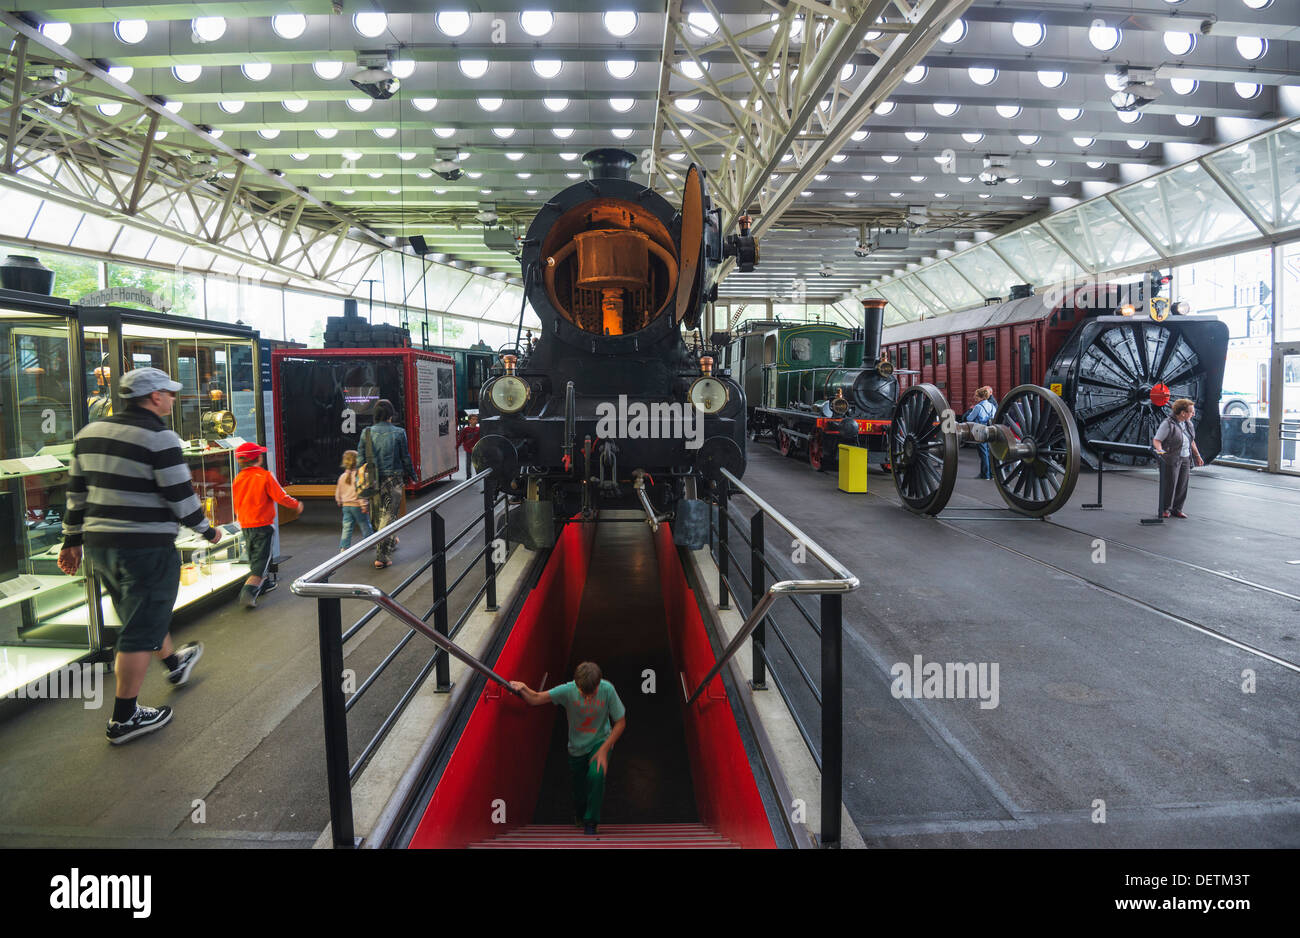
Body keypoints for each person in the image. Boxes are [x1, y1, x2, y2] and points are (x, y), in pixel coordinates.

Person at [57, 367, 216, 745]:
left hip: (101, 546)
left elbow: (76, 494)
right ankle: (124, 717)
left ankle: (175, 665)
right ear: (154, 397)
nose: (174, 399)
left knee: (139, 613)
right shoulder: (160, 438)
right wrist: (207, 530)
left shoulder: (89, 434)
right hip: (145, 545)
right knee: (139, 625)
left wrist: (71, 540)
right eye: (170, 393)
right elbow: (180, 495)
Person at [510, 661, 626, 836]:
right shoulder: (567, 690)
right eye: (583, 693)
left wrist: (604, 749)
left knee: (596, 775)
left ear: (599, 683)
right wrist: (523, 688)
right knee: (579, 789)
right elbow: (536, 698)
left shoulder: (607, 690)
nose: (588, 698)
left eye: (592, 693)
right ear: (576, 685)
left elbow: (620, 722)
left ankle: (591, 822)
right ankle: (580, 816)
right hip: (576, 747)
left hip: (600, 742)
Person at [232, 441, 301, 608]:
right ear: (259, 458)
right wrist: (296, 505)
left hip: (246, 525)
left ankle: (262, 586)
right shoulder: (265, 476)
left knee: (255, 558)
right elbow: (281, 497)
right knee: (261, 565)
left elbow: (236, 503)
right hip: (263, 526)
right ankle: (247, 594)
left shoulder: (238, 479)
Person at [360, 399, 415, 569]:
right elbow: (405, 457)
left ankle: (389, 542)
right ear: (391, 415)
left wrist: (361, 483)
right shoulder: (399, 433)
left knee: (377, 517)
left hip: (373, 480)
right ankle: (382, 557)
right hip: (393, 480)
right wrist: (412, 474)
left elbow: (360, 460)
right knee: (388, 516)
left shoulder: (366, 433)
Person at [1152, 398, 1204, 519]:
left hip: (1185, 458)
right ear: (1183, 413)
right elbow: (1157, 440)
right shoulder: (1168, 424)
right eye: (1191, 411)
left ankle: (1177, 509)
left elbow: (1191, 441)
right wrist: (1160, 452)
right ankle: (1165, 509)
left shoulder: (1188, 424)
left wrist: (1197, 455)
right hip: (1171, 458)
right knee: (1170, 484)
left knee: (1182, 484)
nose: (1194, 414)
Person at [334, 449, 372, 552]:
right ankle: (370, 543)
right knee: (364, 524)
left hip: (346, 506)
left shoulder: (342, 476)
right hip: (357, 506)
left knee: (347, 527)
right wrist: (364, 505)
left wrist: (339, 501)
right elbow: (360, 493)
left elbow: (338, 491)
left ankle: (344, 547)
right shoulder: (359, 476)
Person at [964, 386, 997, 479]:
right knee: (989, 453)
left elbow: (969, 418)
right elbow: (994, 417)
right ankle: (991, 474)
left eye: (976, 396)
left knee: (983, 454)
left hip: (979, 430)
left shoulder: (978, 407)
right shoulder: (992, 406)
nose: (975, 397)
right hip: (990, 430)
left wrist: (971, 410)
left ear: (981, 397)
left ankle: (985, 474)